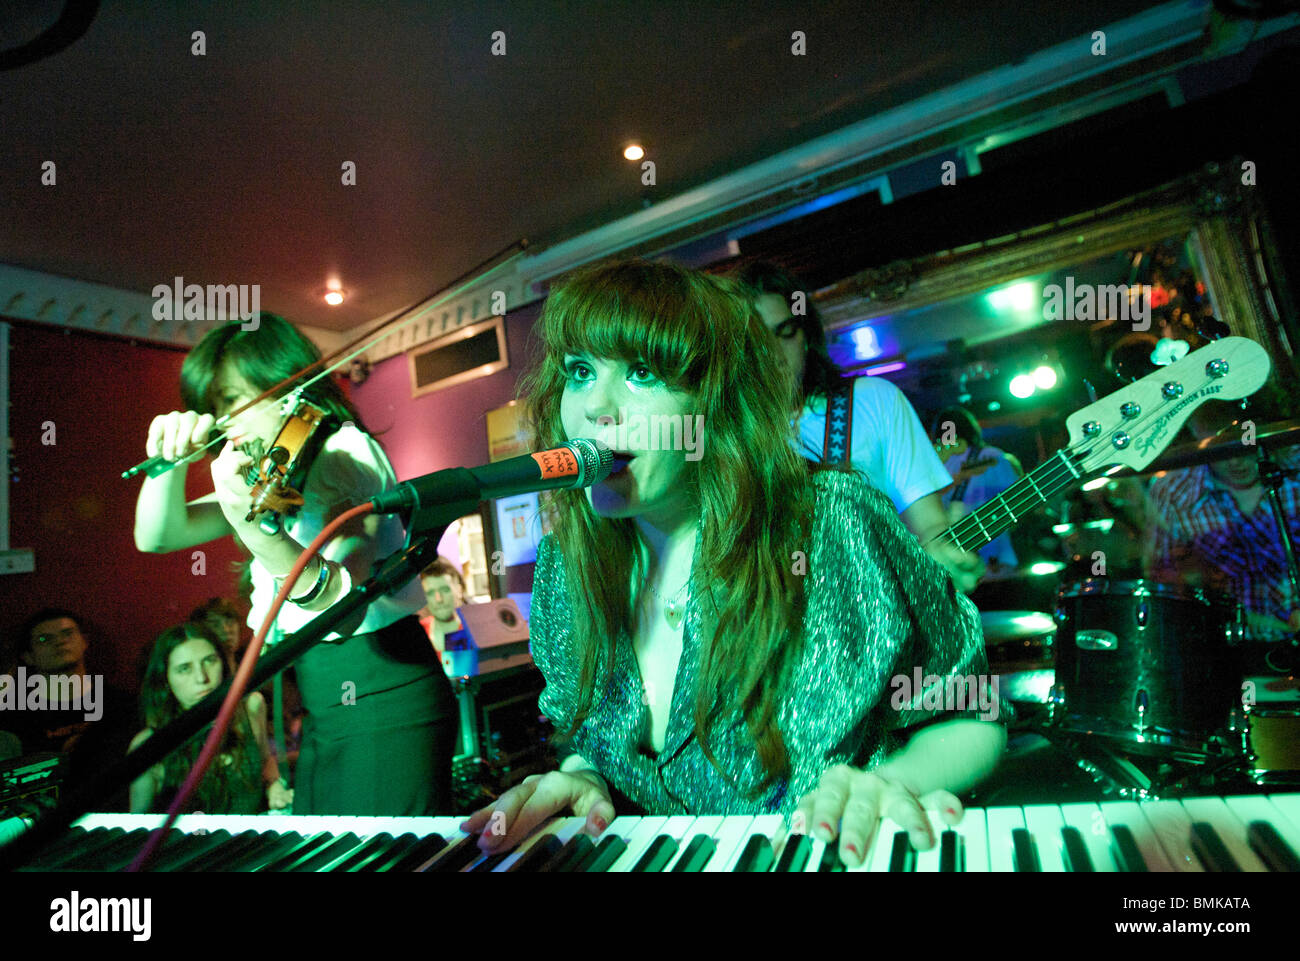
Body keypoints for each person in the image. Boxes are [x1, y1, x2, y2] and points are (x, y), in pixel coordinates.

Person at [461, 261, 1006, 868]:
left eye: (643, 373)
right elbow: (589, 735)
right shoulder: (567, 566)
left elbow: (973, 712)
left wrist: (895, 782)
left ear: (719, 405)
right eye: (581, 372)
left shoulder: (833, 524)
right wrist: (585, 776)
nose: (598, 410)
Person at [133, 312, 458, 815]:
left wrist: (253, 528)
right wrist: (167, 461)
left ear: (285, 383)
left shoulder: (342, 452)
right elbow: (158, 535)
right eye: (214, 406)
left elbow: (344, 607)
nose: (222, 420)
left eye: (234, 399)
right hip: (325, 703)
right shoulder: (275, 470)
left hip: (383, 691)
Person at [735, 261, 984, 592]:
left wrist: (948, 557)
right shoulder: (725, 435)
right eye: (756, 341)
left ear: (806, 337)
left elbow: (930, 528)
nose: (774, 355)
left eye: (785, 333)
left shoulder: (874, 400)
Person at [1147, 402, 1300, 659]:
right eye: (1221, 451)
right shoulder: (1172, 491)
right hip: (1225, 650)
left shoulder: (1294, 468)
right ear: (1198, 438)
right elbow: (1161, 579)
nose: (1236, 461)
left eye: (1244, 447)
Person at [128, 622, 291, 814]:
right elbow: (138, 823)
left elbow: (265, 760)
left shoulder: (250, 707)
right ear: (165, 679)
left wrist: (274, 785)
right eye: (184, 668)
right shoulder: (149, 745)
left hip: (251, 840)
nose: (201, 678)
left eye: (210, 661)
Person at [1, 609, 136, 782]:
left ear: (84, 642)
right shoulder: (14, 719)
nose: (60, 642)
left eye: (68, 633)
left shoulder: (121, 704)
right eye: (44, 639)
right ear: (28, 657)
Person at [931, 406, 1021, 572]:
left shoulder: (933, 463)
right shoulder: (993, 456)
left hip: (950, 559)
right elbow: (1018, 501)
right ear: (971, 429)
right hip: (994, 555)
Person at [418, 557, 466, 656]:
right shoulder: (417, 634)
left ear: (460, 590)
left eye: (445, 590)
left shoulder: (476, 630)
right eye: (430, 593)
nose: (438, 599)